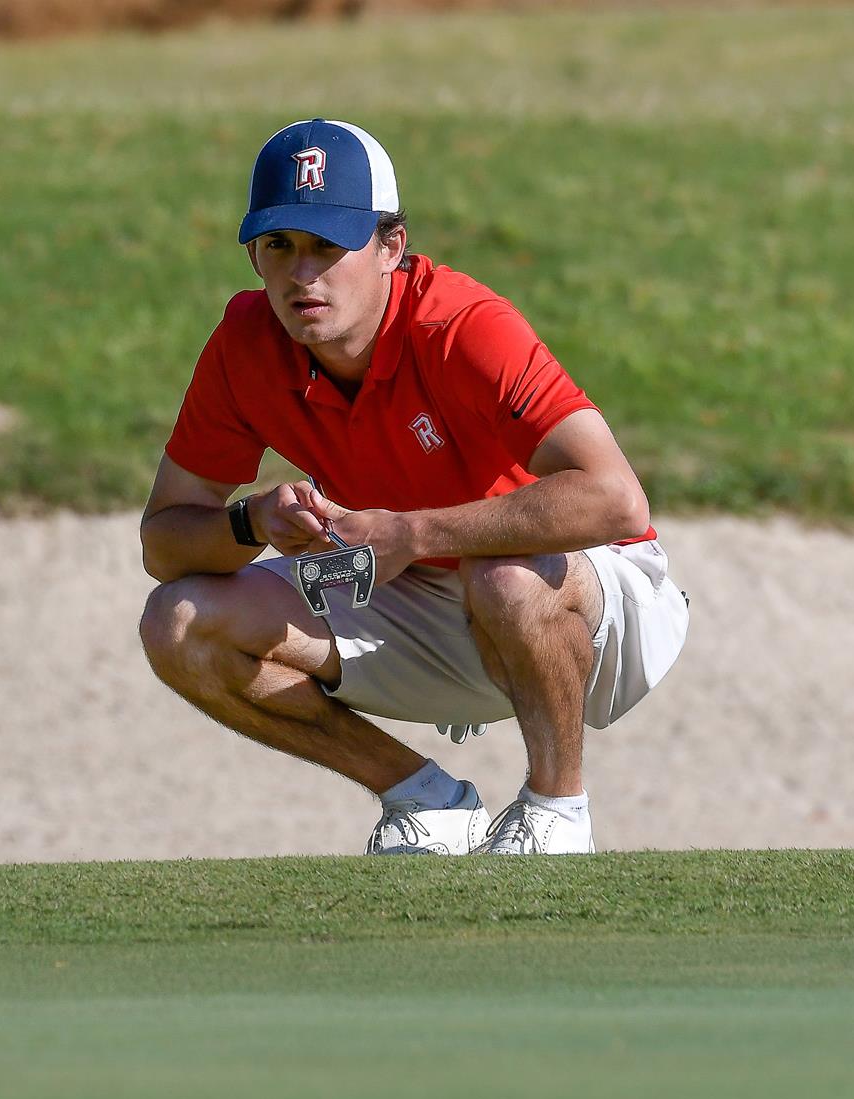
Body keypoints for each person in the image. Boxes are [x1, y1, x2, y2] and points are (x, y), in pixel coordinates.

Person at [137, 119, 689, 855]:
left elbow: (616, 501)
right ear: (253, 254)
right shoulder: (245, 342)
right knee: (178, 621)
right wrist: (252, 524)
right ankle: (425, 802)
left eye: (328, 245)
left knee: (504, 577)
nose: (303, 275)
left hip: (596, 599)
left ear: (391, 247)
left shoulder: (461, 324)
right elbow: (164, 542)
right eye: (280, 246)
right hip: (413, 589)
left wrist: (413, 533)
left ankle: (558, 813)